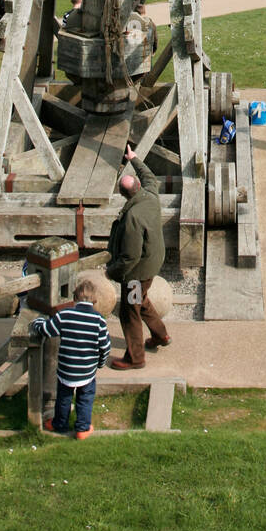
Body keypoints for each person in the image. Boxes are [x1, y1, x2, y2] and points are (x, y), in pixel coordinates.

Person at [30, 277, 111, 440]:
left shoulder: (65, 315)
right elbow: (105, 346)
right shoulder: (99, 321)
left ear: (74, 297)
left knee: (64, 397)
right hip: (87, 370)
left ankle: (60, 424)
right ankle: (82, 428)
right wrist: (100, 363)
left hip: (66, 368)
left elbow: (47, 329)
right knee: (85, 398)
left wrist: (37, 322)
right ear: (95, 300)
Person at [106, 172, 170, 369]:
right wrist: (133, 159)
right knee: (140, 301)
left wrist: (112, 272)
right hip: (152, 263)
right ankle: (161, 335)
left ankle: (135, 358)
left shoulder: (132, 218)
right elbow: (150, 176)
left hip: (136, 275)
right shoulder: (151, 196)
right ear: (139, 186)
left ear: (122, 193)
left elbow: (130, 257)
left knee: (129, 313)